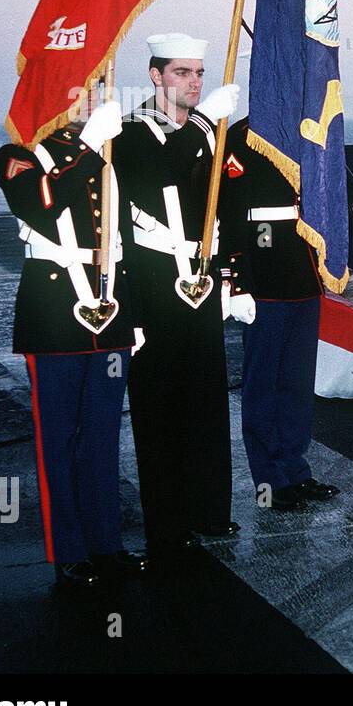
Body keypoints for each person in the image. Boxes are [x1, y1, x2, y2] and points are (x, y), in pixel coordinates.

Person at [0, 97, 147, 587]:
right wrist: (85, 144)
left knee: (103, 438)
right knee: (57, 439)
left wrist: (135, 315)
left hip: (111, 312)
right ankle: (69, 550)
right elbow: (43, 205)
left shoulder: (104, 151)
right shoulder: (18, 154)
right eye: (77, 90)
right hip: (55, 313)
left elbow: (120, 241)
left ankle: (107, 544)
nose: (89, 100)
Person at [111, 33, 243, 559]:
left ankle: (211, 510)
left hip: (203, 281)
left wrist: (233, 273)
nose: (192, 81)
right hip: (155, 282)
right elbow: (160, 177)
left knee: (208, 403)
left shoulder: (209, 135)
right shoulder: (131, 132)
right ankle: (166, 525)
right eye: (181, 72)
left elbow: (226, 204)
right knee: (159, 408)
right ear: (155, 75)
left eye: (198, 73)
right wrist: (209, 123)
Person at [218, 117, 353, 511]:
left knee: (296, 382)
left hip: (304, 274)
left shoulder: (311, 127)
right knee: (263, 384)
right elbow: (230, 211)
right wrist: (237, 281)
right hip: (264, 273)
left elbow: (331, 183)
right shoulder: (243, 135)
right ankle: (269, 481)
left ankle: (294, 469)